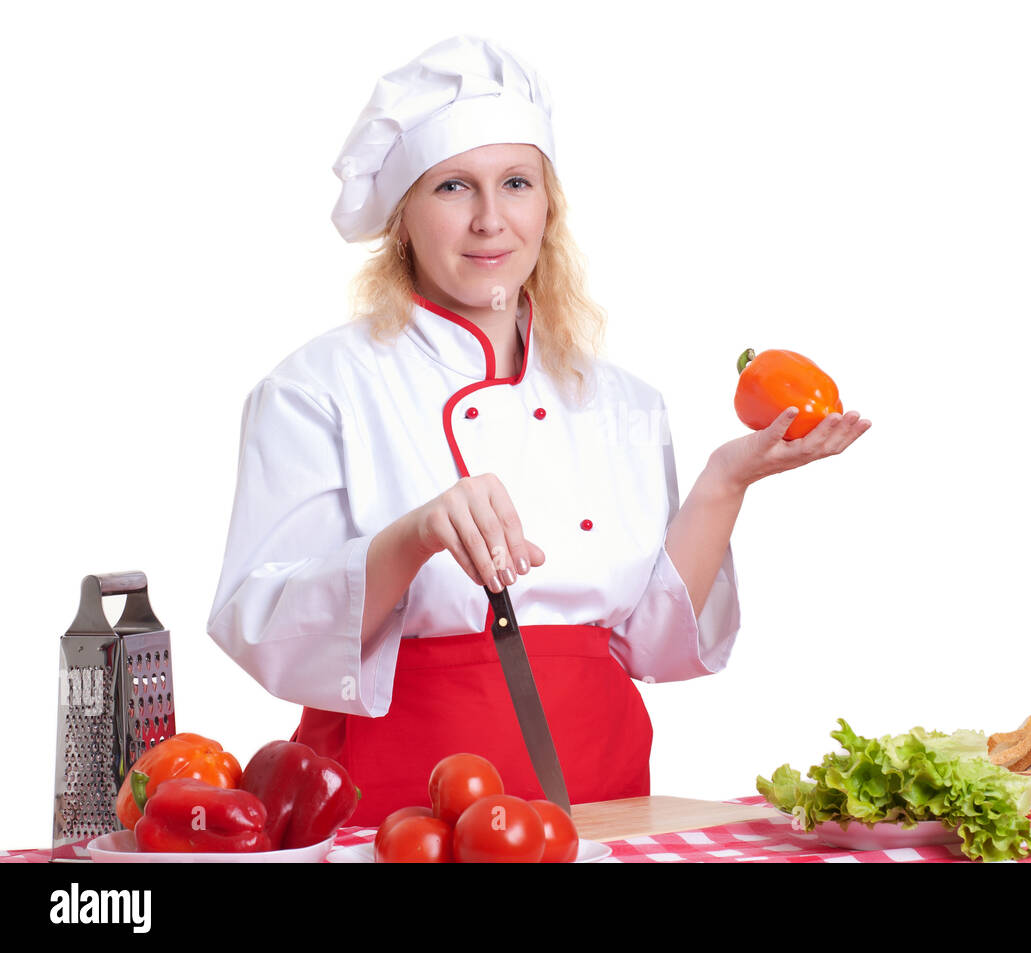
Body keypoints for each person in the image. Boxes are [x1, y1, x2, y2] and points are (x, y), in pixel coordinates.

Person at [207, 35, 871, 826]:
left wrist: (727, 480)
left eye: (516, 183)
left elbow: (654, 646)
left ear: (547, 206)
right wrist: (412, 535)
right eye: (454, 186)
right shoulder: (318, 390)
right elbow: (264, 629)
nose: (491, 220)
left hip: (606, 798)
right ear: (402, 218)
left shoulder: (623, 401)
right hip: (402, 807)